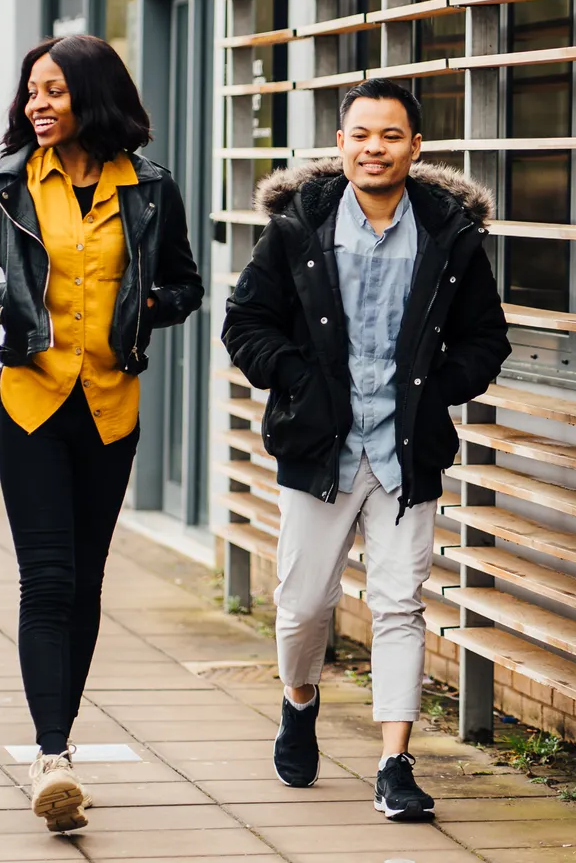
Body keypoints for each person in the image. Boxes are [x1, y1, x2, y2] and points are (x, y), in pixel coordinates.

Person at [221, 78, 511, 822]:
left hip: (404, 451)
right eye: (360, 134)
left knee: (397, 606)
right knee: (302, 608)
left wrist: (442, 383)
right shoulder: (298, 229)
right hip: (320, 451)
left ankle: (394, 761)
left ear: (415, 148)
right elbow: (246, 323)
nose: (373, 148)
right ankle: (299, 697)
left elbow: (487, 337)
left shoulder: (449, 236)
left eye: (390, 136)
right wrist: (297, 380)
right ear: (341, 143)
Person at [0, 34, 202, 834]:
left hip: (111, 406)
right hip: (32, 402)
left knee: (86, 584)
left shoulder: (152, 188)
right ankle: (51, 757)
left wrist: (141, 311)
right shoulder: (7, 182)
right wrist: (19, 312)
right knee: (47, 580)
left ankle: (58, 742)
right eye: (31, 93)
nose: (37, 105)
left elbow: (184, 286)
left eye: (52, 91)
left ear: (90, 95)